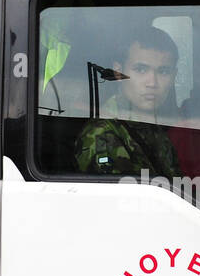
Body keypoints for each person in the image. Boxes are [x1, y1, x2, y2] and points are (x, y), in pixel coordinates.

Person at [75, 26, 182, 177]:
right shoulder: (102, 134)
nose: (152, 82)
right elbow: (120, 199)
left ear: (174, 76)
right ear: (118, 72)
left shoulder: (153, 127)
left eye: (163, 71)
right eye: (141, 70)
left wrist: (197, 194)